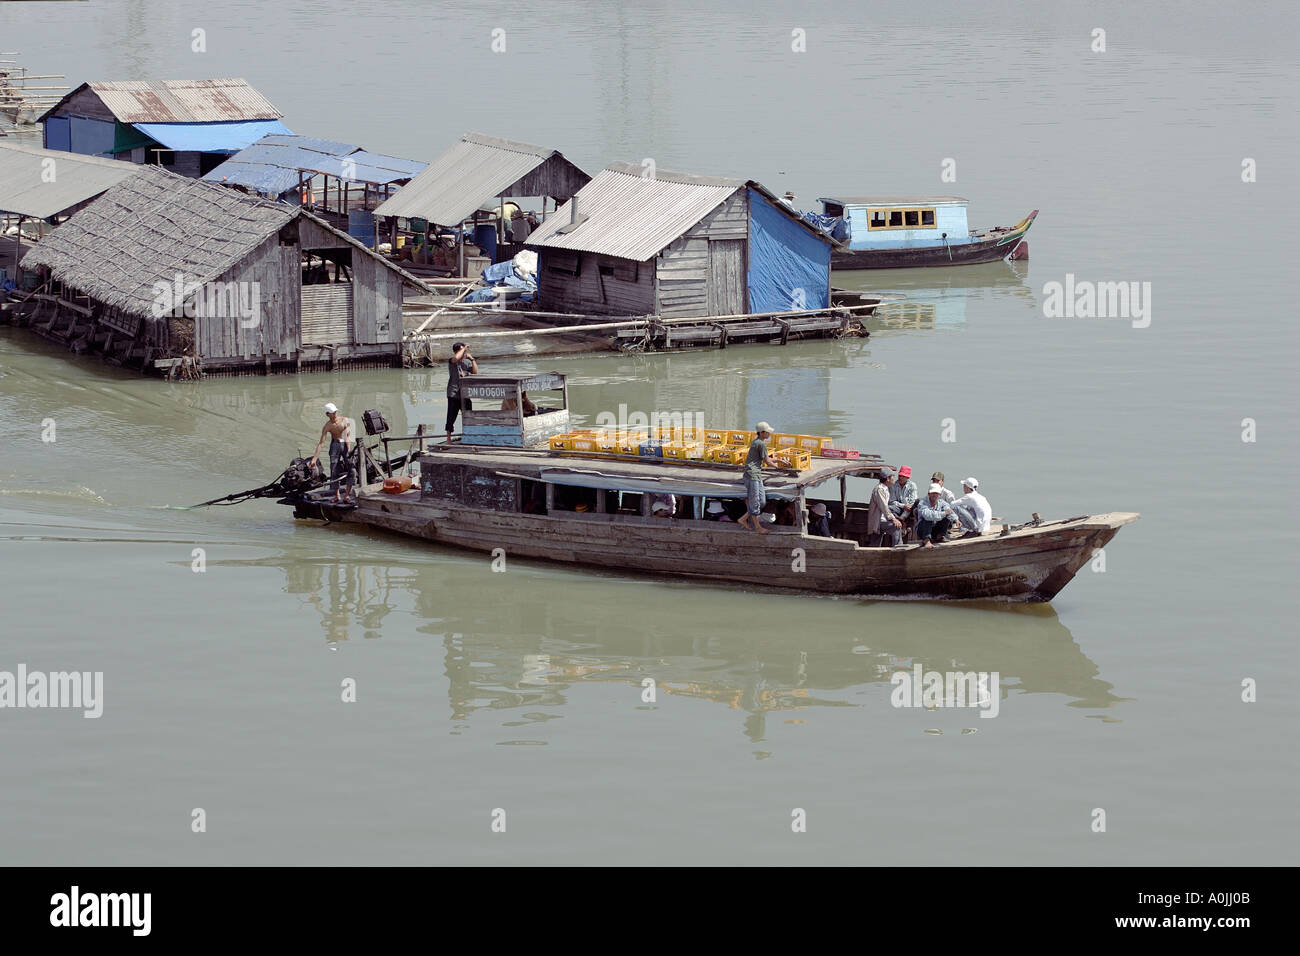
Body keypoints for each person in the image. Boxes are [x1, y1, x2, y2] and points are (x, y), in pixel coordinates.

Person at [309, 402, 356, 504]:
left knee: (352, 469)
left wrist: (348, 449)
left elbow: (348, 436)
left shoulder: (344, 420)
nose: (334, 414)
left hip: (345, 443)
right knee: (334, 470)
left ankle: (347, 495)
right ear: (327, 414)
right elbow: (321, 443)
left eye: (335, 412)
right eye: (332, 413)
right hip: (335, 445)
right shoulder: (327, 426)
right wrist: (314, 459)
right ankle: (337, 496)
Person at [739, 422, 779, 533]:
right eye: (767, 432)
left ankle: (743, 519)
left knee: (761, 502)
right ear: (762, 433)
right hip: (752, 475)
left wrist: (779, 461)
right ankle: (758, 527)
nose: (769, 434)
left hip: (756, 475)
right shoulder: (760, 444)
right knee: (756, 502)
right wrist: (779, 468)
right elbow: (768, 462)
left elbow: (766, 459)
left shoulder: (757, 442)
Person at [445, 342, 478, 441]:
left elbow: (475, 372)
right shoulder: (452, 361)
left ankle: (469, 435)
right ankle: (448, 439)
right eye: (461, 351)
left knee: (469, 415)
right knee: (451, 416)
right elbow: (456, 358)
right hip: (453, 393)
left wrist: (472, 359)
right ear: (456, 351)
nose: (463, 353)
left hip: (465, 393)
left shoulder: (466, 363)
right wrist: (463, 349)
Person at [915, 483, 962, 548]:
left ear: (939, 495)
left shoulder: (941, 502)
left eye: (936, 493)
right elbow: (928, 515)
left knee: (947, 517)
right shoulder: (922, 503)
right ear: (929, 494)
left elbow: (949, 510)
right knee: (928, 519)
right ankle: (927, 540)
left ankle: (939, 537)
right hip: (923, 531)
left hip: (934, 529)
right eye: (933, 493)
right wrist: (943, 513)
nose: (934, 495)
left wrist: (956, 519)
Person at [868, 468, 904, 547]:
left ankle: (873, 555)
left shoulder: (885, 489)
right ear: (887, 478)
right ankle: (899, 550)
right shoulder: (879, 489)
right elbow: (883, 506)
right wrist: (893, 519)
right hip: (878, 521)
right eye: (892, 477)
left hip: (881, 519)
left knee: (875, 543)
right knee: (896, 527)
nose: (894, 479)